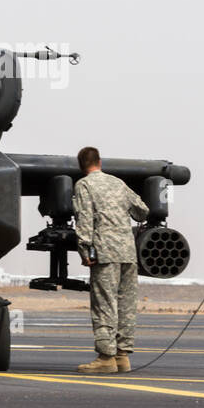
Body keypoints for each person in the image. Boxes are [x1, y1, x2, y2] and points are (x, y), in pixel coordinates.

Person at [72, 147, 147, 372]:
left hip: (105, 252)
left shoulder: (84, 185)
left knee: (105, 303)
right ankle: (122, 356)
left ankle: (106, 358)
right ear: (100, 162)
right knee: (126, 303)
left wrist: (84, 250)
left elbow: (84, 219)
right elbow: (142, 210)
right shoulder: (118, 183)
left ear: (81, 165)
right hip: (127, 252)